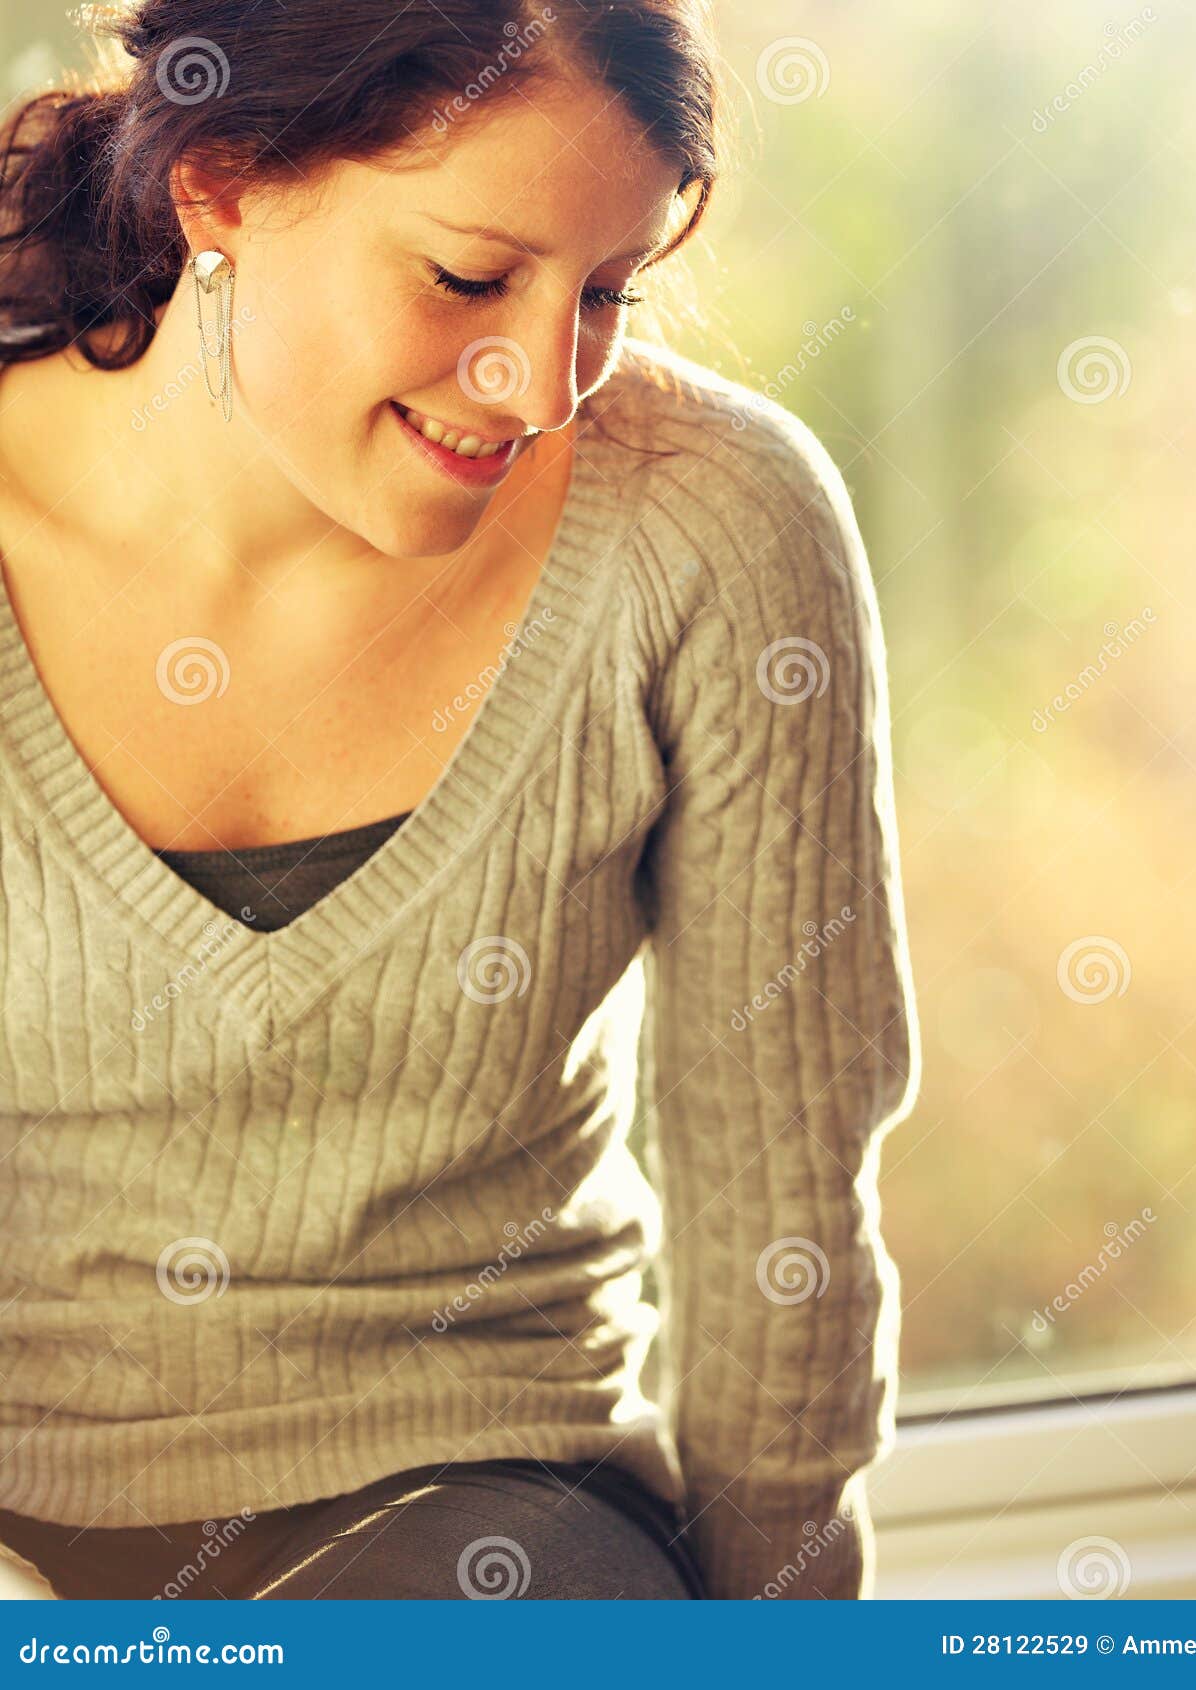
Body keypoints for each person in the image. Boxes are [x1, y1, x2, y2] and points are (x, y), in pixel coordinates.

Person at [0, 0, 921, 1600]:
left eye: (608, 294)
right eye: (469, 277)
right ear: (219, 182)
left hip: (482, 1501)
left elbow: (788, 1188)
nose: (539, 386)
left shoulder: (709, 531)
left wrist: (783, 1646)